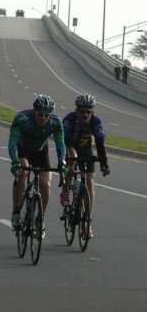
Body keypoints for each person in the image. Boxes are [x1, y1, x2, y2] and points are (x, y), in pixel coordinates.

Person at [8, 94, 66, 233]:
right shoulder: (22, 118)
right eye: (40, 114)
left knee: (45, 184)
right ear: (34, 111)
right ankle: (16, 212)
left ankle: (40, 218)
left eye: (47, 115)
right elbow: (12, 143)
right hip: (24, 151)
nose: (43, 118)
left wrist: (61, 162)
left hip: (41, 152)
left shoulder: (55, 122)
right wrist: (15, 161)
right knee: (23, 172)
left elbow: (60, 144)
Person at [60, 94, 110, 238]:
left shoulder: (96, 122)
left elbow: (100, 144)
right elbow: (65, 139)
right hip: (70, 146)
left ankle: (87, 222)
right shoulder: (69, 119)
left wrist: (104, 164)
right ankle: (65, 190)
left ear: (92, 112)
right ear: (77, 111)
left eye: (88, 111)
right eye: (82, 111)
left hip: (86, 148)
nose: (85, 114)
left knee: (90, 182)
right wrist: (69, 153)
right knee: (73, 159)